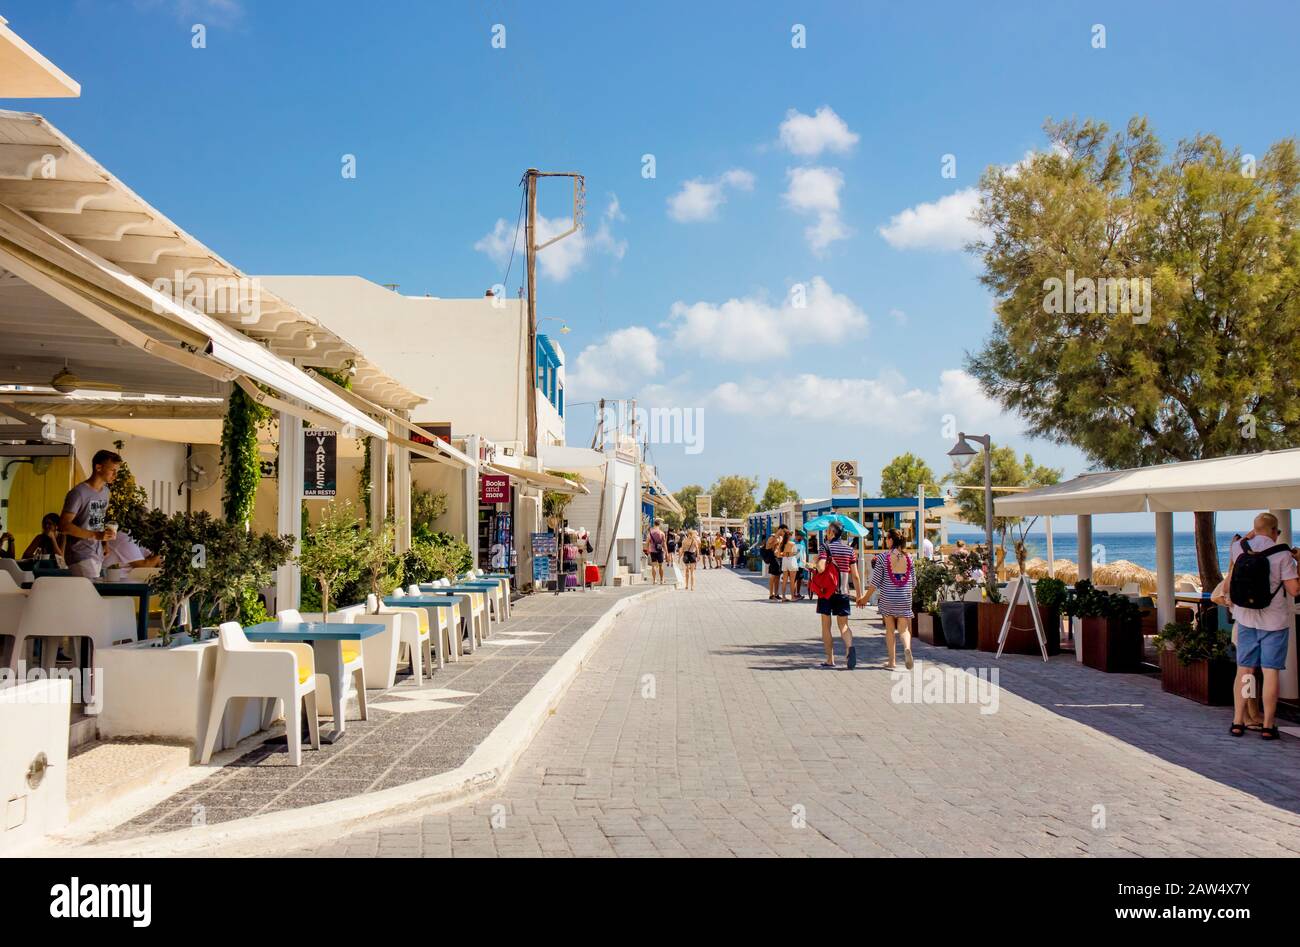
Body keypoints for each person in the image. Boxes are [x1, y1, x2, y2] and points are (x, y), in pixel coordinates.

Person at [1229, 513, 1300, 741]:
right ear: (1275, 531)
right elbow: (1294, 590)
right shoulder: (1282, 555)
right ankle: (1268, 725)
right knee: (1270, 672)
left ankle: (1239, 721)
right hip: (1274, 622)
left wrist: (1251, 535)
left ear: (1254, 528)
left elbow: (1246, 543)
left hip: (1245, 620)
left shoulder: (1239, 548)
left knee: (1245, 671)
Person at [60, 449, 121, 579]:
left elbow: (96, 520)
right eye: (112, 470)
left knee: (89, 595)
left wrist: (104, 543)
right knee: (90, 595)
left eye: (117, 471)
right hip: (79, 553)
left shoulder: (105, 492)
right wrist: (96, 535)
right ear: (98, 467)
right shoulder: (78, 493)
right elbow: (64, 526)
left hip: (97, 553)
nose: (115, 474)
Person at [814, 521, 865, 668]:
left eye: (827, 531)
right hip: (843, 592)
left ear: (832, 532)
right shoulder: (849, 550)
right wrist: (859, 596)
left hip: (826, 592)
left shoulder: (825, 547)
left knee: (826, 626)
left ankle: (830, 659)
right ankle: (849, 648)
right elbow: (855, 575)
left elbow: (821, 568)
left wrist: (816, 562)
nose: (826, 533)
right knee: (843, 625)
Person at [866, 529, 917, 670]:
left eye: (886, 538)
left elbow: (875, 582)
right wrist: (905, 594)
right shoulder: (909, 558)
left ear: (891, 540)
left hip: (888, 597)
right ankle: (907, 648)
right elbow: (913, 583)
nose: (885, 540)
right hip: (904, 597)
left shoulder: (883, 557)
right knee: (904, 629)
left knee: (890, 630)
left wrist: (864, 598)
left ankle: (892, 661)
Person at [779, 529, 799, 601]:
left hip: (784, 560)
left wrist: (785, 554)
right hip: (791, 560)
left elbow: (779, 554)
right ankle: (792, 597)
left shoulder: (782, 543)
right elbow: (795, 552)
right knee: (792, 580)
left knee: (784, 580)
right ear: (789, 536)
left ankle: (783, 597)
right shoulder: (792, 543)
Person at [763, 528, 784, 600]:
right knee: (773, 576)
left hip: (779, 558)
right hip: (773, 558)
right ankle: (771, 594)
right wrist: (775, 541)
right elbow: (767, 546)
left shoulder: (781, 538)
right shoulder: (772, 537)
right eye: (783, 531)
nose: (783, 532)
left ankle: (776, 594)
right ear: (779, 530)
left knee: (778, 577)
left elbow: (780, 548)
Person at [645, 519, 667, 584]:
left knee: (653, 565)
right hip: (660, 551)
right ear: (659, 525)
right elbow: (664, 543)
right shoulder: (662, 533)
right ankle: (661, 580)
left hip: (652, 551)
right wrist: (666, 552)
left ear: (654, 524)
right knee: (660, 565)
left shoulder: (650, 533)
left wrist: (647, 550)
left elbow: (647, 542)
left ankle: (654, 580)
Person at [793, 529, 810, 600]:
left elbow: (803, 553)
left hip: (801, 564)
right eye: (802, 537)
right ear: (798, 536)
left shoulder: (802, 542)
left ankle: (798, 593)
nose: (803, 538)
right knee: (794, 579)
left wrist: (805, 562)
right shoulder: (793, 542)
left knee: (800, 578)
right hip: (794, 564)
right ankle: (793, 594)